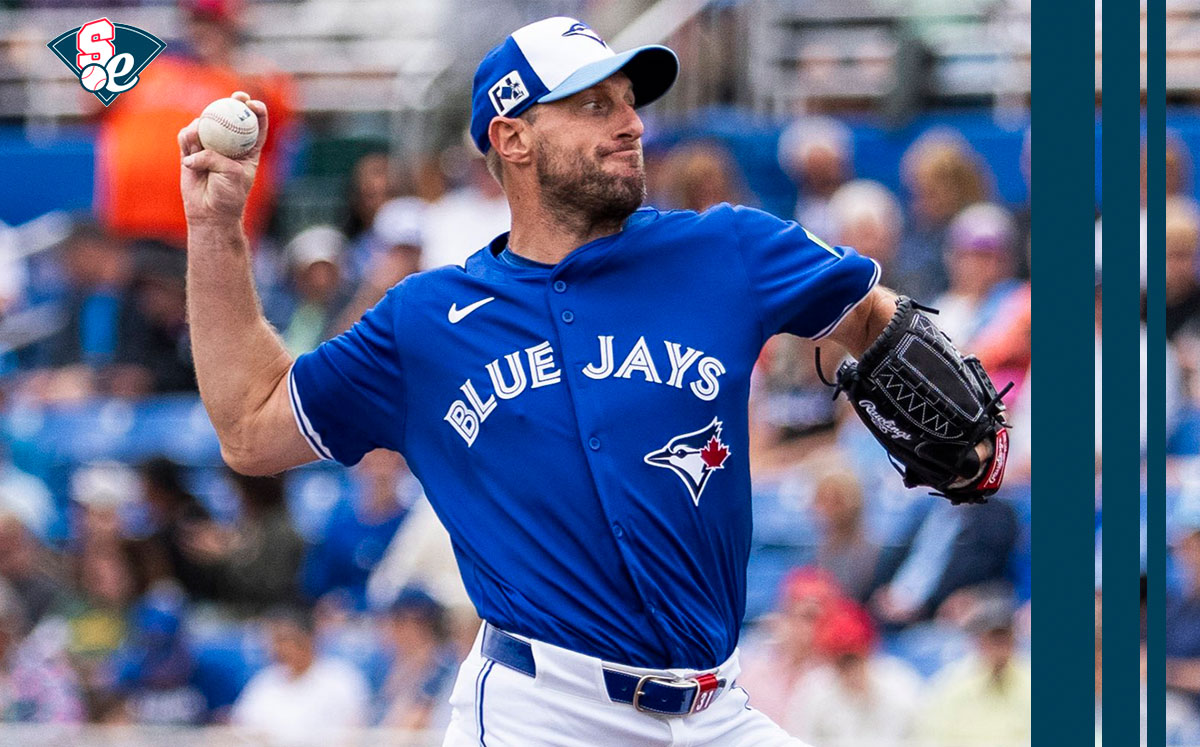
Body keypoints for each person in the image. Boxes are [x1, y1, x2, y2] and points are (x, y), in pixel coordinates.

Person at [178, 16, 1003, 745]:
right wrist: (216, 226)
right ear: (513, 138)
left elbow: (870, 312)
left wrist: (952, 406)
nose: (630, 125)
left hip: (716, 708)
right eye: (593, 105)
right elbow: (252, 426)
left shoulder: (727, 250)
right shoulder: (425, 322)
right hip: (546, 712)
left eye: (629, 102)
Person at [230, 606, 370, 745]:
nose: (278, 648)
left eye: (284, 639)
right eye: (274, 641)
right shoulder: (264, 682)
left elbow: (353, 736)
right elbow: (240, 729)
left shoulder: (342, 679)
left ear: (307, 638)